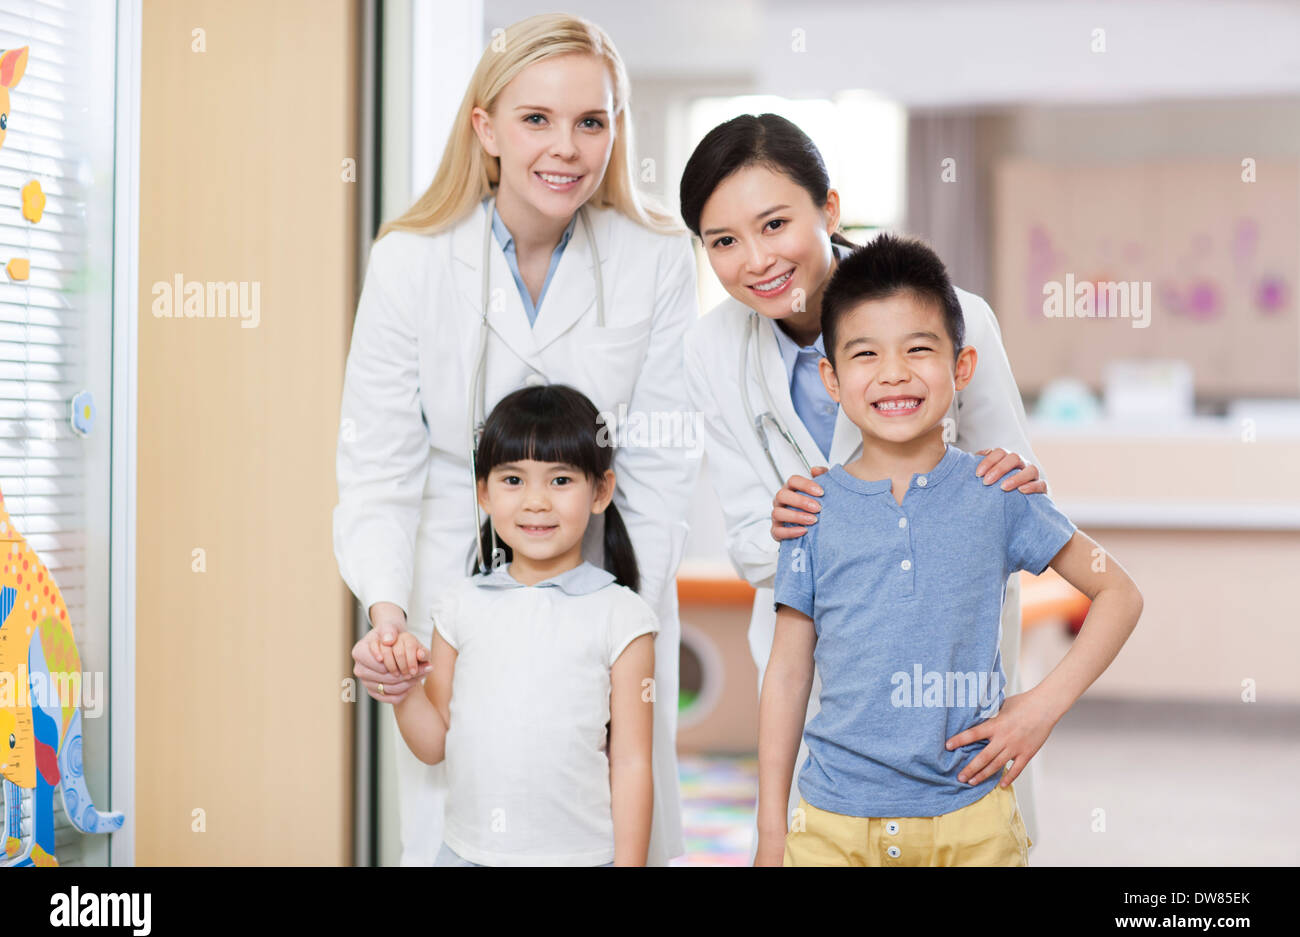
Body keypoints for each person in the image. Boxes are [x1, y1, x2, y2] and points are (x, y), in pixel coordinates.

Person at [334, 13, 698, 866]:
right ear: (486, 129)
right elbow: (377, 464)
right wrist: (390, 621)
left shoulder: (655, 257)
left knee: (614, 822)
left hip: (607, 591)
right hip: (450, 591)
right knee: (458, 824)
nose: (565, 147)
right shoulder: (411, 262)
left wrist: (603, 611)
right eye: (536, 119)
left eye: (591, 121)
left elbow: (664, 460)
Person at [678, 113, 1051, 855]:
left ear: (830, 210)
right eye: (723, 241)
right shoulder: (711, 349)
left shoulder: (953, 315)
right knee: (824, 829)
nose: (755, 260)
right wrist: (790, 525)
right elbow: (752, 545)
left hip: (948, 668)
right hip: (821, 662)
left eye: (775, 223)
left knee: (974, 835)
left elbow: (1014, 497)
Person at [755, 234, 1143, 866]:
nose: (894, 373)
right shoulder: (810, 510)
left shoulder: (999, 491)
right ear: (831, 377)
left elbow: (1119, 592)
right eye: (865, 354)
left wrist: (1042, 706)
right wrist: (773, 828)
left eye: (918, 349)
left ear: (962, 367)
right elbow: (789, 672)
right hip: (830, 824)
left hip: (973, 820)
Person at [376, 385, 658, 866]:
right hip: (467, 854)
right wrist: (403, 692)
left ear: (600, 491)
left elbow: (631, 763)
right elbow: (434, 744)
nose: (535, 502)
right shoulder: (459, 606)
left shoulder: (622, 616)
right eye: (513, 480)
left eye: (560, 480)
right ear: (483, 491)